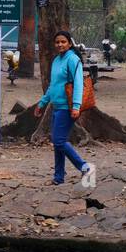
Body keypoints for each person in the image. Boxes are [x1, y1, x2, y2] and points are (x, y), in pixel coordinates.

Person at [33, 31, 94, 185]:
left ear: (70, 44)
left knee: (58, 140)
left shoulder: (73, 60)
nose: (60, 44)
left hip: (67, 108)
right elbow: (53, 86)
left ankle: (85, 167)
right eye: (57, 42)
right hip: (56, 106)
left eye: (63, 42)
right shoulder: (56, 61)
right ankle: (58, 177)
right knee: (58, 142)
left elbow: (79, 84)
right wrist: (42, 103)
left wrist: (76, 106)